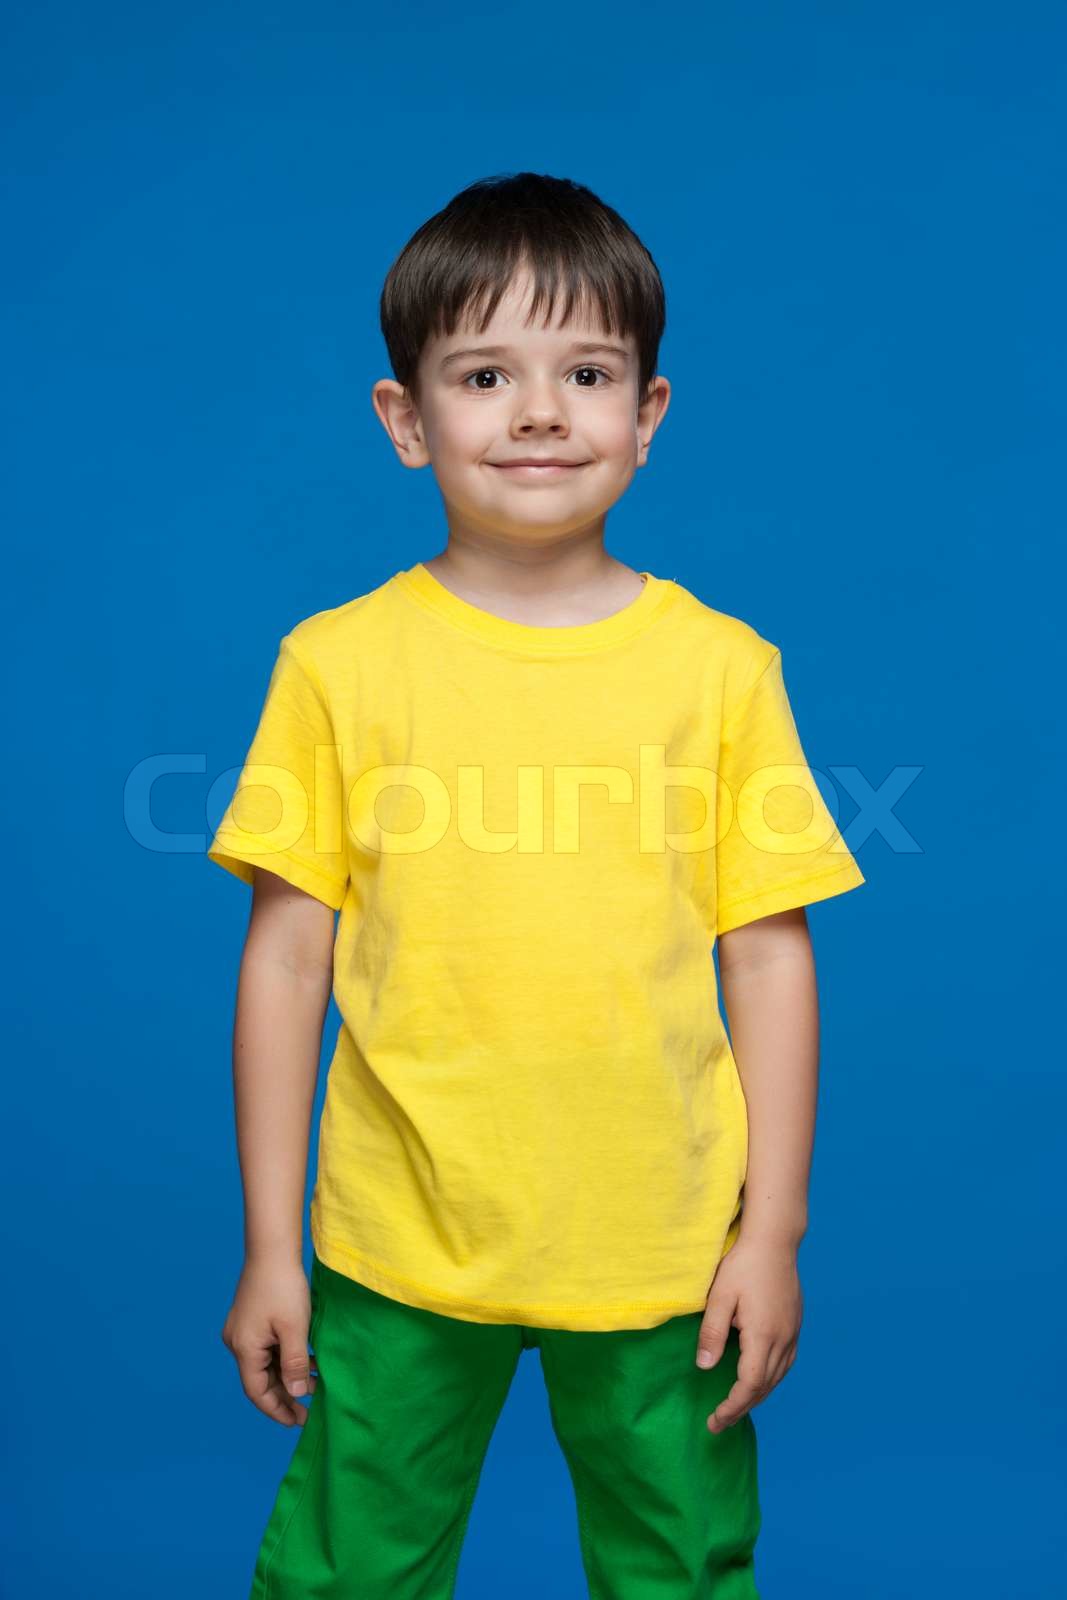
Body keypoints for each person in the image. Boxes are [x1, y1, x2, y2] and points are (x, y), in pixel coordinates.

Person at [209, 171, 865, 1600]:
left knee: (678, 1570)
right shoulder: (337, 664)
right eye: (484, 373)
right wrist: (272, 1248)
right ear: (406, 420)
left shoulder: (722, 672)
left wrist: (773, 1231)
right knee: (347, 1570)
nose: (540, 413)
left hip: (663, 1247)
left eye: (586, 372)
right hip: (395, 1236)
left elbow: (768, 956)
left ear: (649, 416)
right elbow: (286, 961)